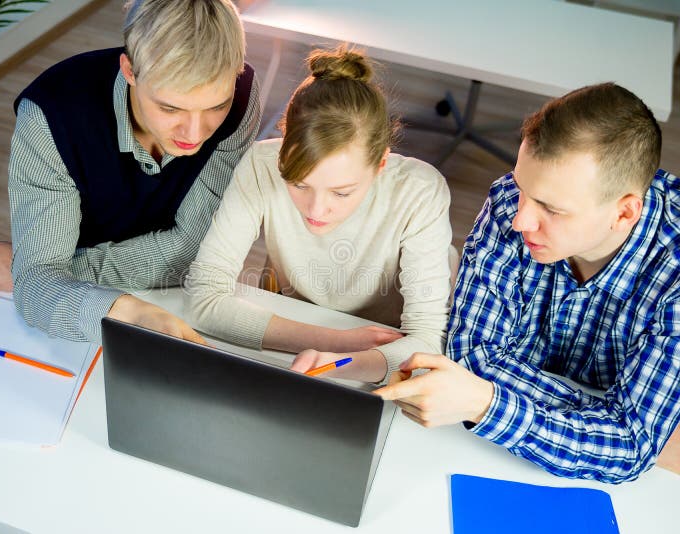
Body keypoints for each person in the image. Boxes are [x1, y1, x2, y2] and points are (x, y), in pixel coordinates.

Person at [375, 82, 680, 483]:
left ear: (624, 214)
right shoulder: (509, 203)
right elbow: (474, 355)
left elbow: (629, 445)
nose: (520, 220)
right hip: (486, 454)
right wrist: (601, 420)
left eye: (551, 209)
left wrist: (486, 402)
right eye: (523, 189)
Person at [0, 0, 261, 344]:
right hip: (89, 315)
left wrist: (37, 273)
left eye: (215, 106)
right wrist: (128, 310)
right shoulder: (52, 117)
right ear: (129, 70)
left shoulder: (242, 96)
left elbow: (194, 248)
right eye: (170, 107)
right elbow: (38, 290)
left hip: (120, 294)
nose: (194, 133)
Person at [184, 47, 453, 384]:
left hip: (382, 355)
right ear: (283, 147)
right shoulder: (260, 164)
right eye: (298, 184)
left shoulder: (419, 191)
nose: (315, 210)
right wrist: (334, 342)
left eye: (341, 192)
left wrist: (339, 364)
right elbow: (204, 298)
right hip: (303, 328)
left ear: (381, 164)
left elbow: (426, 341)